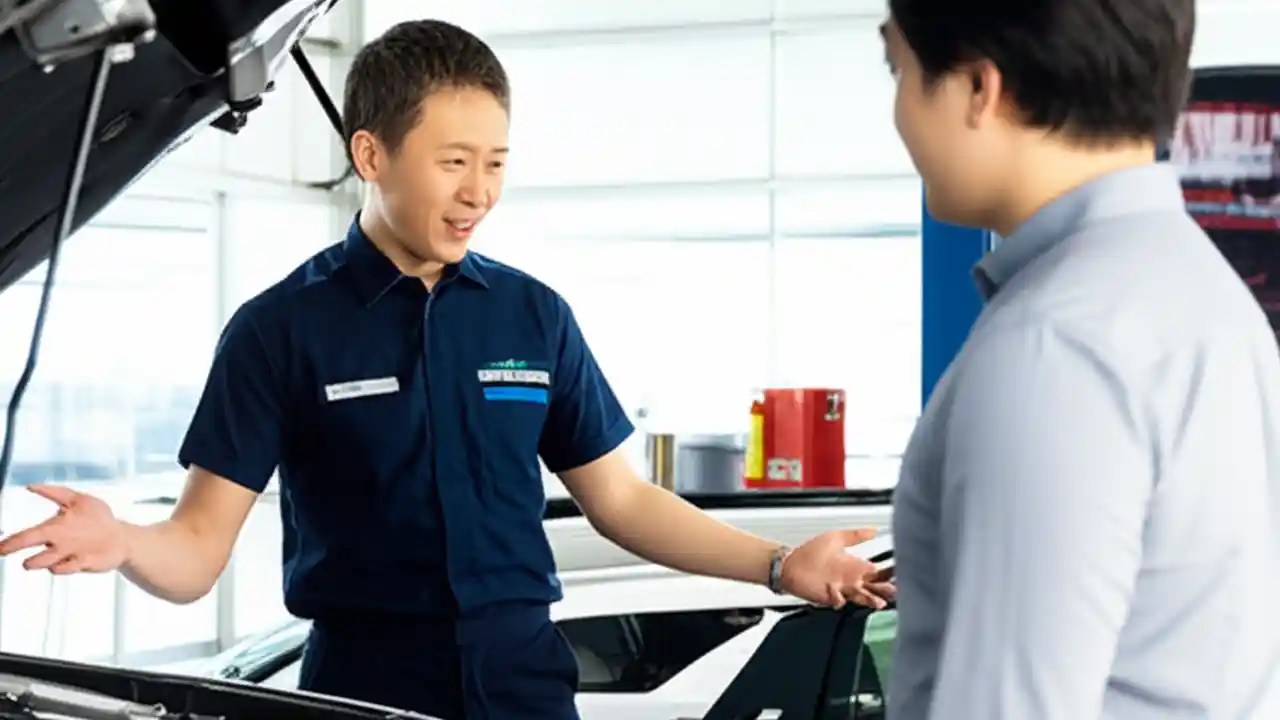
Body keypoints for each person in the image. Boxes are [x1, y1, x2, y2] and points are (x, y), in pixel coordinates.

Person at [0, 19, 893, 720]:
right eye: (454, 163)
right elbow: (195, 552)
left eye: (496, 162)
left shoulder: (532, 315)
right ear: (371, 156)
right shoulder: (279, 331)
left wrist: (780, 566)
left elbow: (621, 503)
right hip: (360, 688)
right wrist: (124, 544)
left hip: (526, 689)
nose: (480, 192)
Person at [879, 1, 1280, 718]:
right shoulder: (1202, 293)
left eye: (899, 71)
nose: (899, 115)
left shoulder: (1056, 344)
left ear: (980, 89)